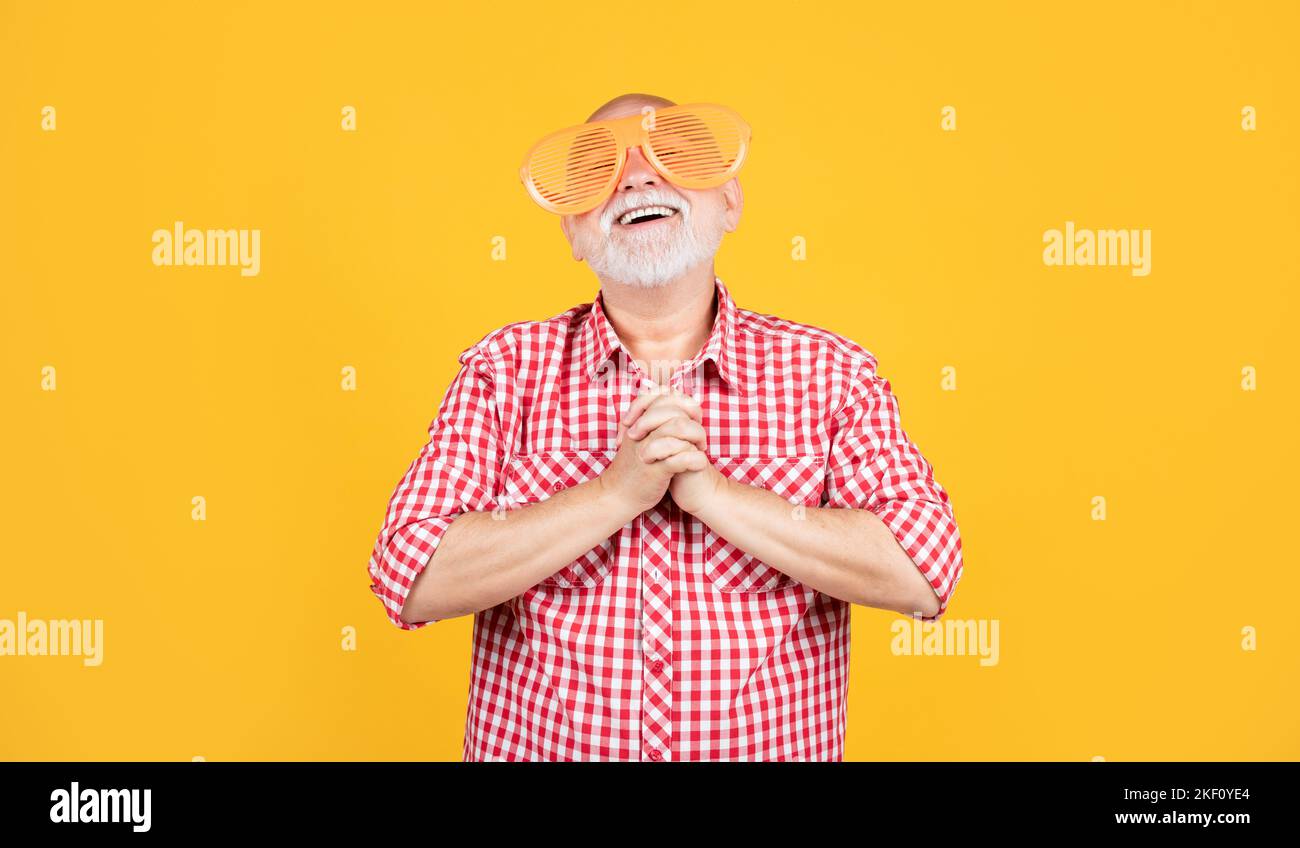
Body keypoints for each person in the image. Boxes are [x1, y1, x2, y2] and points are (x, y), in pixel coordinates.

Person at [367, 93, 964, 761]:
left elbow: (923, 570)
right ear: (572, 232)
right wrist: (613, 496)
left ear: (730, 203)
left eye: (672, 155)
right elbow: (408, 578)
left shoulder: (830, 374)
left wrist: (717, 498)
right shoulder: (505, 372)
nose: (639, 177)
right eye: (600, 169)